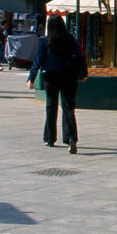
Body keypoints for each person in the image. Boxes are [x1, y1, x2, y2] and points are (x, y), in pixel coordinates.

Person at [28, 15, 84, 153]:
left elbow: (38, 60)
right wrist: (82, 74)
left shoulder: (44, 41)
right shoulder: (70, 39)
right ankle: (71, 138)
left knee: (51, 106)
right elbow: (79, 57)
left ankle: (50, 137)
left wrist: (31, 77)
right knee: (68, 107)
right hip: (68, 76)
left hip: (51, 76)